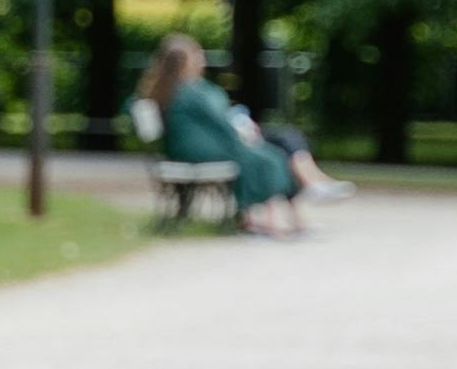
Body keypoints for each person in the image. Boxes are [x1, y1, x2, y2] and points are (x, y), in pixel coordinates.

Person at [135, 29, 351, 231]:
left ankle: (266, 218)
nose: (202, 60)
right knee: (266, 157)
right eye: (197, 55)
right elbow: (218, 121)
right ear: (185, 61)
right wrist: (240, 133)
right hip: (201, 151)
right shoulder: (191, 91)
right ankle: (266, 221)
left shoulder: (170, 90)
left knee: (267, 154)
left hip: (190, 149)